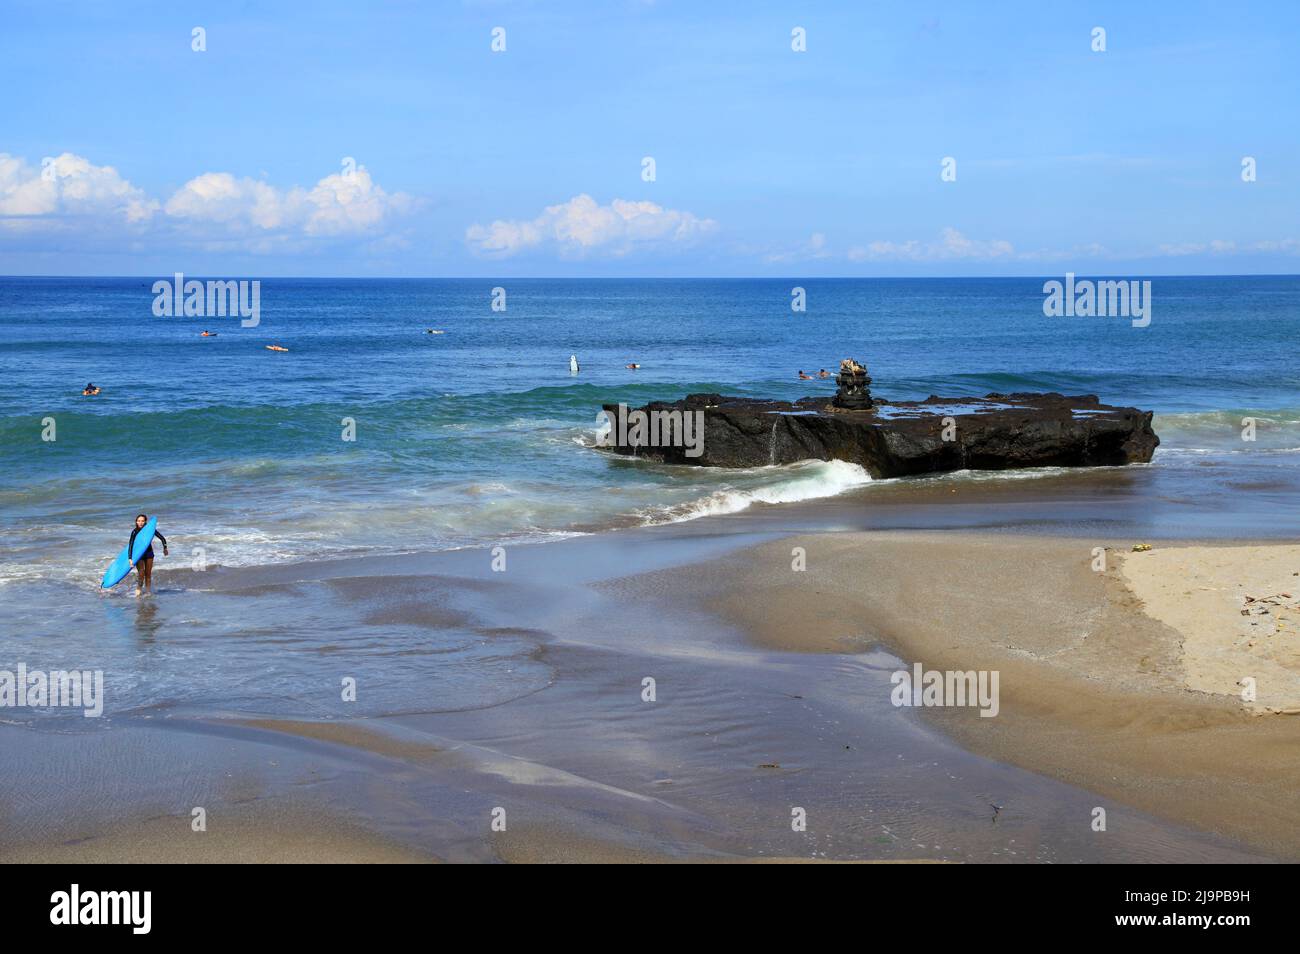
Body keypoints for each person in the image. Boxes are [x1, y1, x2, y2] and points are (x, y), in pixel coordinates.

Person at [127, 514, 168, 594]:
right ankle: (138, 592)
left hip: (149, 554)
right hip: (139, 554)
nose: (140, 523)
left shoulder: (150, 530)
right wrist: (130, 559)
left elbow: (162, 538)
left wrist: (165, 548)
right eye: (138, 521)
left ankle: (148, 593)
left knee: (148, 574)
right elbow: (130, 545)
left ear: (145, 521)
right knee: (141, 574)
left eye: (142, 521)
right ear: (136, 522)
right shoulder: (134, 532)